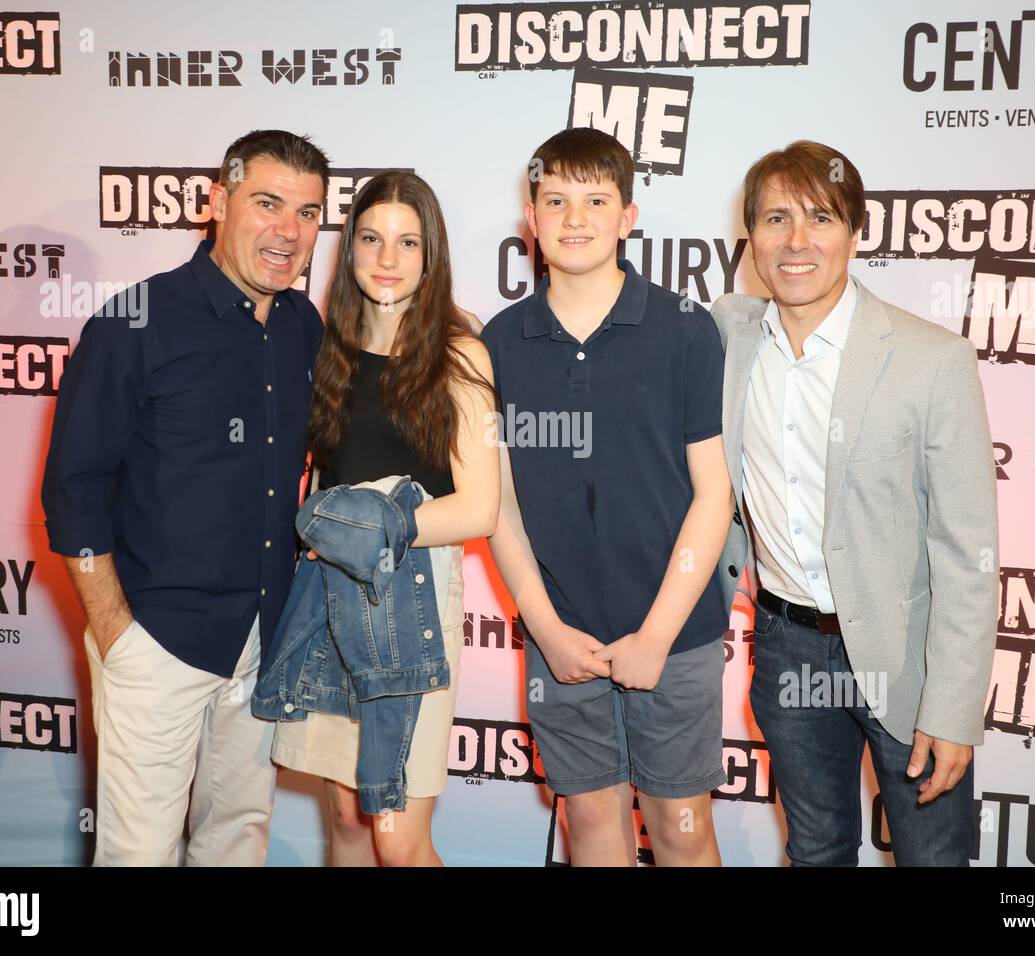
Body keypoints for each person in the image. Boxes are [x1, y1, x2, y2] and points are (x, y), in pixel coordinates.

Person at [41, 130, 329, 866]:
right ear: (217, 202)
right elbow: (72, 489)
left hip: (262, 639)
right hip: (157, 642)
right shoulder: (135, 321)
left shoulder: (302, 326)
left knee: (237, 841)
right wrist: (117, 635)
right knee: (138, 855)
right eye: (268, 203)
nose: (288, 230)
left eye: (307, 212)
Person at [712, 140, 999, 866]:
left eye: (821, 218)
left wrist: (955, 708)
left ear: (856, 231)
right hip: (785, 645)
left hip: (907, 657)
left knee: (934, 856)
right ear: (750, 238)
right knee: (816, 850)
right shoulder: (726, 338)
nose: (797, 241)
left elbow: (969, 554)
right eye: (776, 219)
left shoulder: (931, 360)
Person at [481, 127, 733, 866]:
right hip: (560, 636)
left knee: (681, 828)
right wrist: (547, 631)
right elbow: (498, 508)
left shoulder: (686, 330)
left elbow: (713, 494)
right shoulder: (499, 343)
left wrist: (655, 637)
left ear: (629, 216)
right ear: (532, 217)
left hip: (676, 637)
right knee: (589, 827)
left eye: (596, 200)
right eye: (555, 200)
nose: (575, 217)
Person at [269, 171, 498, 867]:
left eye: (407, 242)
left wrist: (372, 526)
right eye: (371, 238)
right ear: (350, 249)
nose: (388, 258)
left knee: (395, 837)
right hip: (327, 594)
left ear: (432, 259)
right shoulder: (322, 349)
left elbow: (480, 507)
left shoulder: (460, 354)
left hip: (413, 593)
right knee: (344, 817)